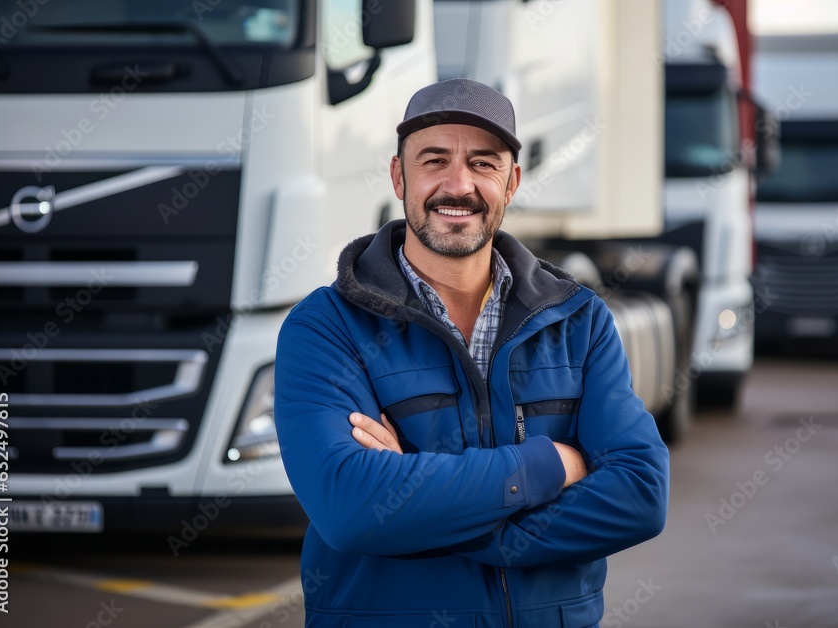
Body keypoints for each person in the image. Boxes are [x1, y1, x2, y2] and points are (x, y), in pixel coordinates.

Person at [275, 78, 669, 628]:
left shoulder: (579, 321)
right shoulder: (327, 326)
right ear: (399, 176)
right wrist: (552, 464)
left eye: (483, 163)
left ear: (512, 182)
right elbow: (350, 509)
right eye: (434, 160)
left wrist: (442, 516)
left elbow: (641, 495)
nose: (458, 185)